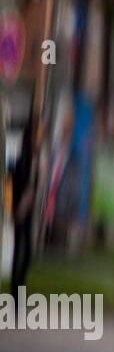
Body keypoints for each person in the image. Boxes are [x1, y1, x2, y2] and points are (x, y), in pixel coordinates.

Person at [8, 118, 40, 293]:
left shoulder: (33, 157)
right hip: (21, 209)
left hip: (26, 210)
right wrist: (18, 207)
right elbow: (18, 183)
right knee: (22, 250)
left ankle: (18, 286)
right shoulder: (25, 158)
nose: (41, 135)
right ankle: (16, 288)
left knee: (24, 250)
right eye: (38, 132)